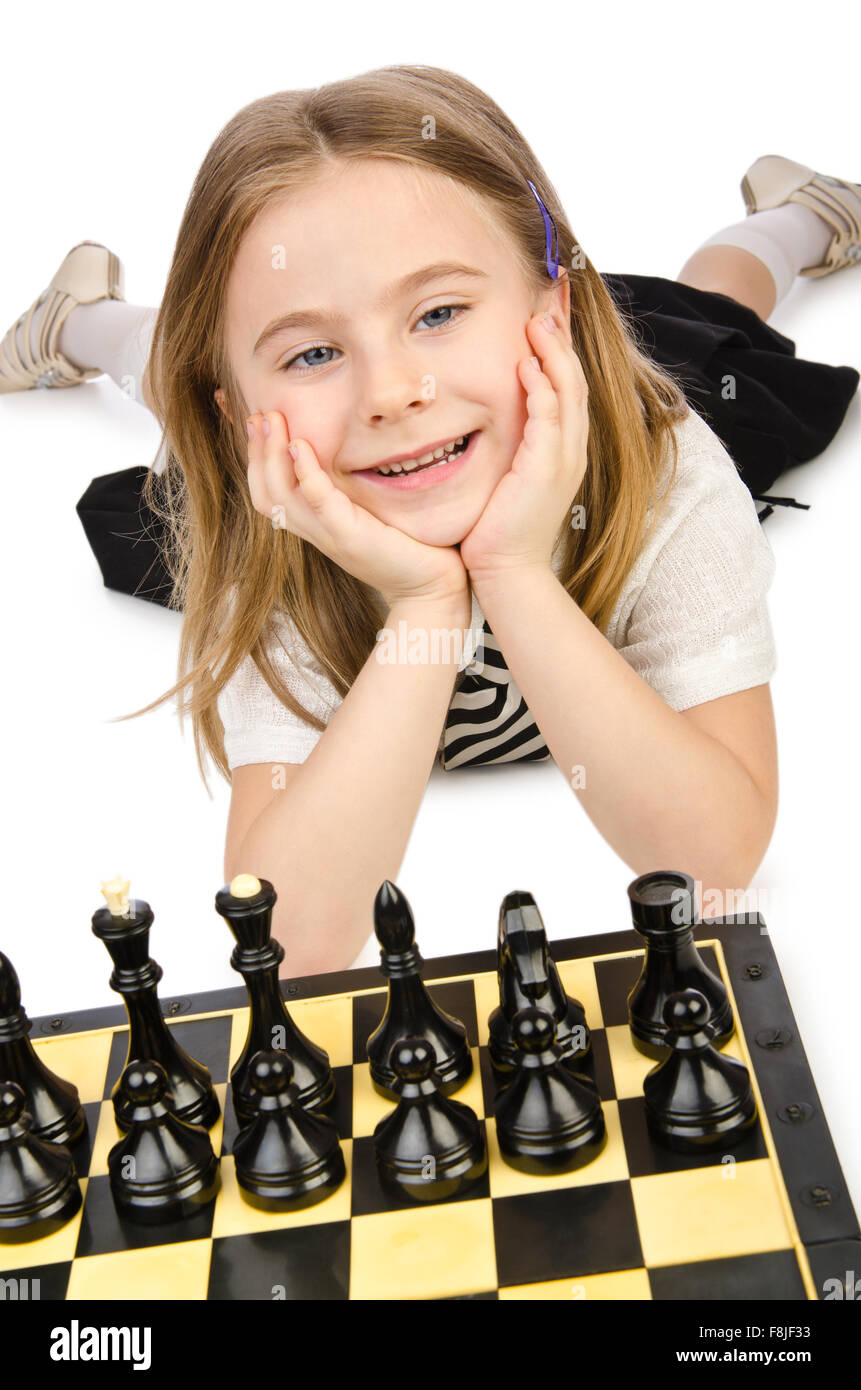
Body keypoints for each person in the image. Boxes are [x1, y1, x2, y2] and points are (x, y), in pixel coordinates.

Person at [1, 66, 858, 974]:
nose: (392, 394)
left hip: (582, 386)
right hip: (280, 438)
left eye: (439, 312)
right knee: (166, 364)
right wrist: (422, 602)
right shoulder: (275, 512)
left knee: (710, 313)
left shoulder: (669, 477)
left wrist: (515, 574)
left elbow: (713, 865)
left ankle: (801, 214)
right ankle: (79, 323)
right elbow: (289, 944)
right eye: (317, 352)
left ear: (550, 312)